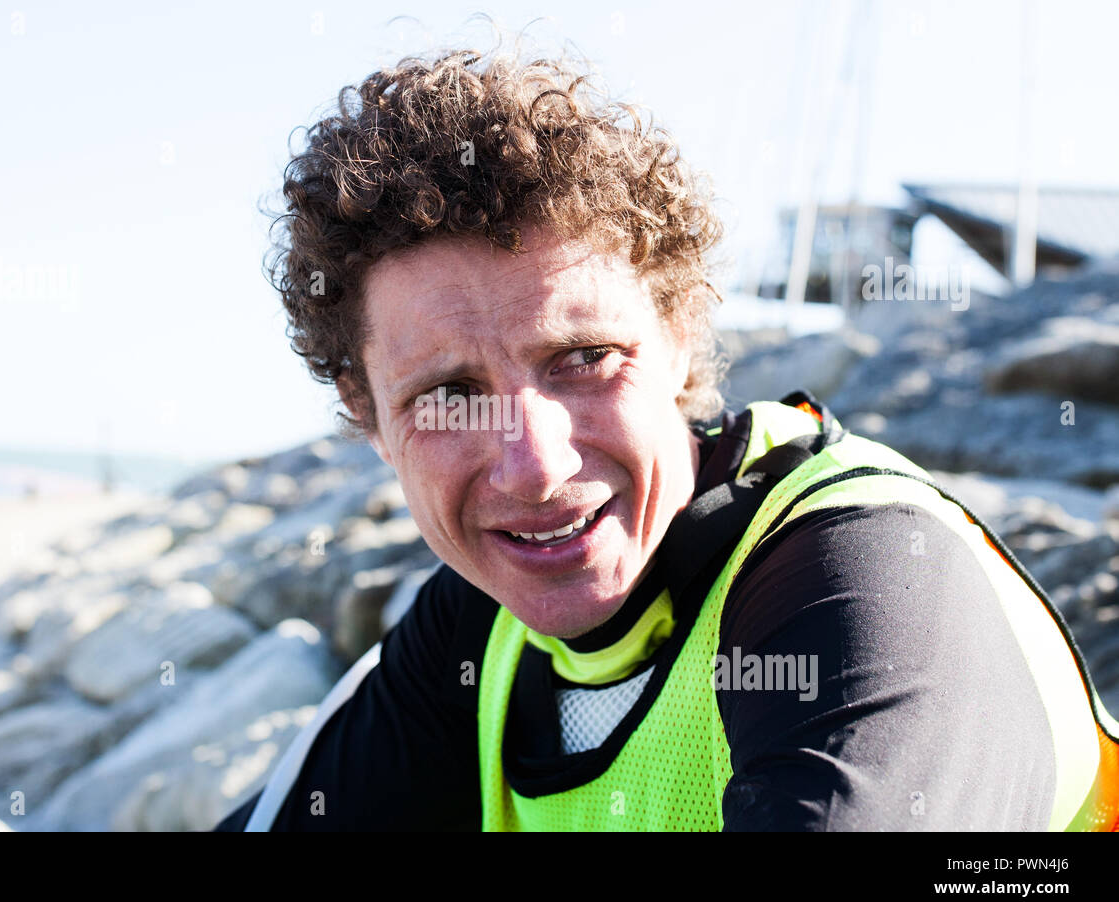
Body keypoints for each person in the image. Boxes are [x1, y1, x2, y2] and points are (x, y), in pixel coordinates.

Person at [215, 40, 1119, 831]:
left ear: (682, 338)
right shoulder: (481, 630)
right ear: (367, 416)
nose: (536, 469)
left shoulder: (867, 580)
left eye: (585, 356)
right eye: (450, 394)